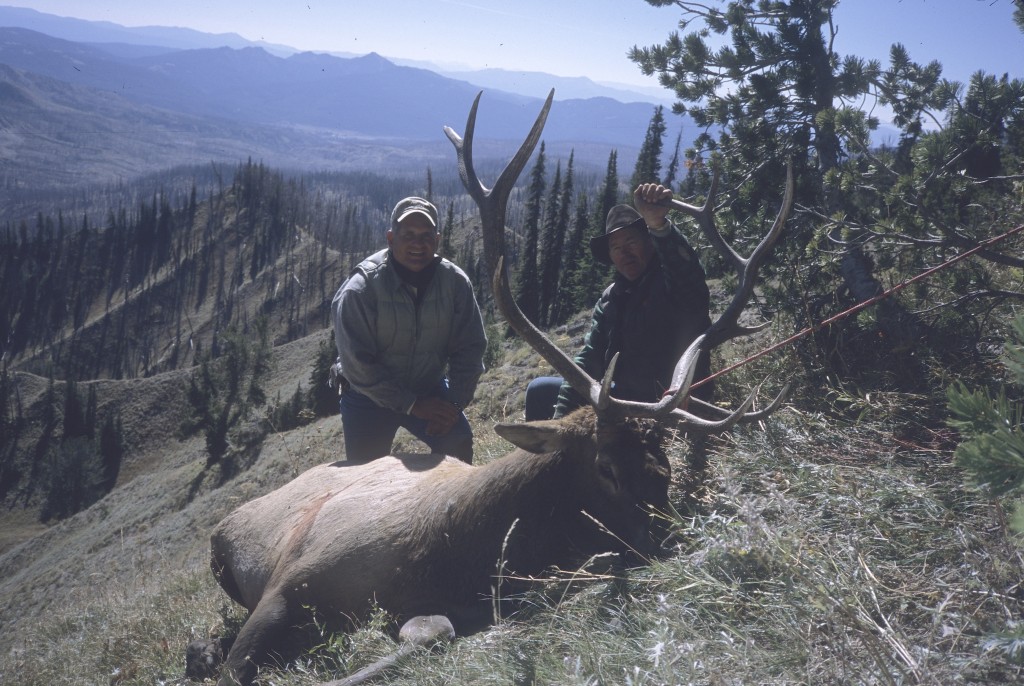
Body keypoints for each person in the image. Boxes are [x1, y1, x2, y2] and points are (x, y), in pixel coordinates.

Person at [524, 183, 712, 421]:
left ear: (650, 243)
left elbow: (686, 273)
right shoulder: (611, 298)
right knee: (540, 391)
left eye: (631, 242)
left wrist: (658, 225)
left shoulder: (672, 286)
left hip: (670, 405)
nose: (624, 253)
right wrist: (557, 422)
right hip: (621, 402)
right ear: (611, 256)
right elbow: (588, 361)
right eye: (616, 247)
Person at [331, 196, 487, 463]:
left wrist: (454, 404)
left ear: (437, 240)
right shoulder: (361, 289)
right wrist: (413, 405)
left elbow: (470, 350)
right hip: (369, 395)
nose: (418, 243)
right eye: (409, 235)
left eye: (426, 235)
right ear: (391, 238)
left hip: (428, 386)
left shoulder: (455, 284)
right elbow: (357, 365)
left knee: (457, 444)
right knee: (363, 477)